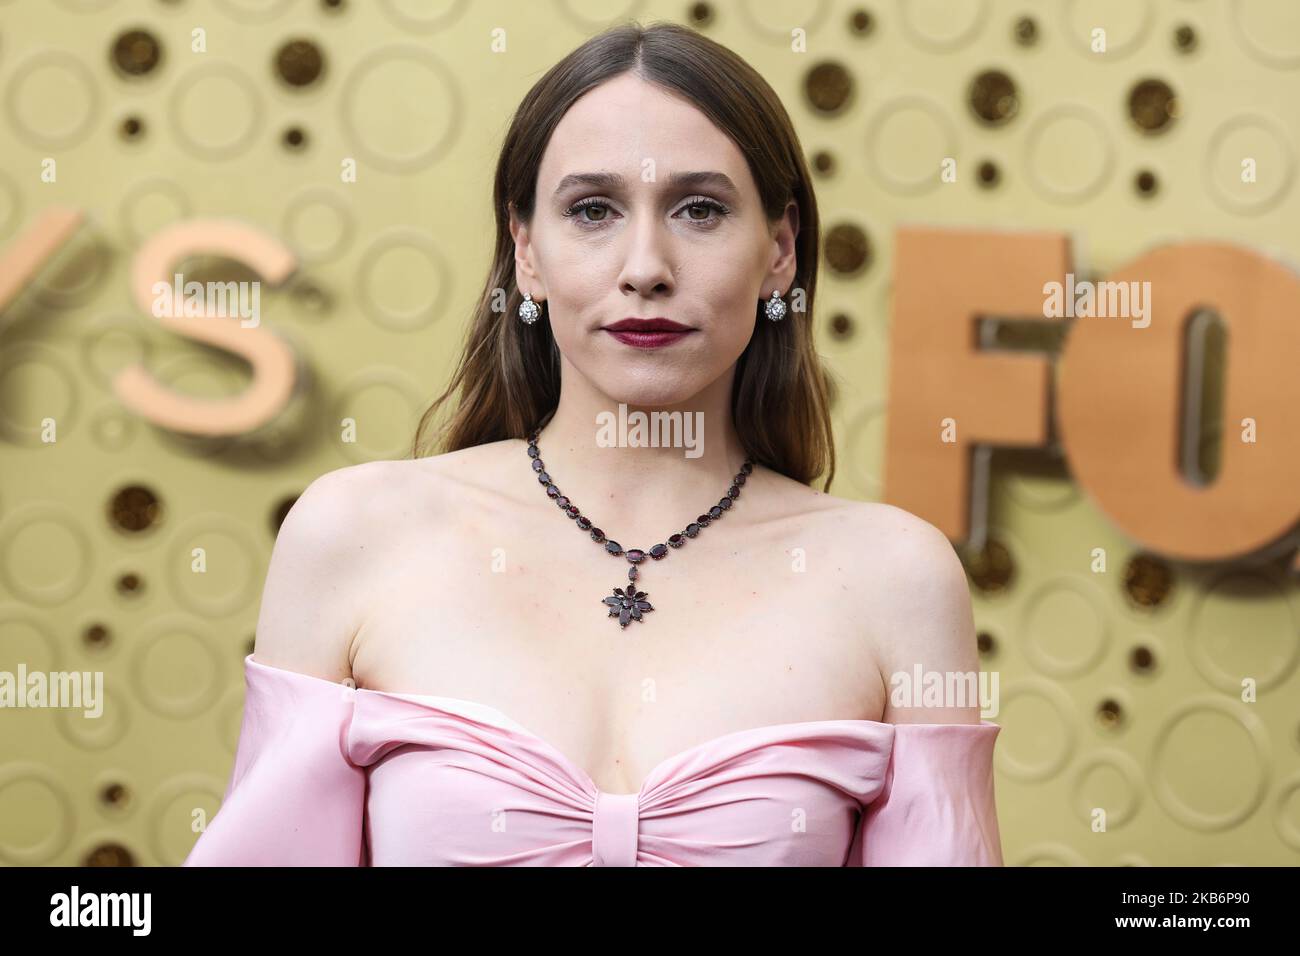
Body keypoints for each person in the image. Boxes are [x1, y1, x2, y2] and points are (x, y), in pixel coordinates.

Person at [184, 20, 1002, 867]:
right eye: (593, 210)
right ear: (526, 251)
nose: (645, 264)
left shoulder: (896, 577)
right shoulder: (354, 535)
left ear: (780, 251)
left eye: (700, 209)